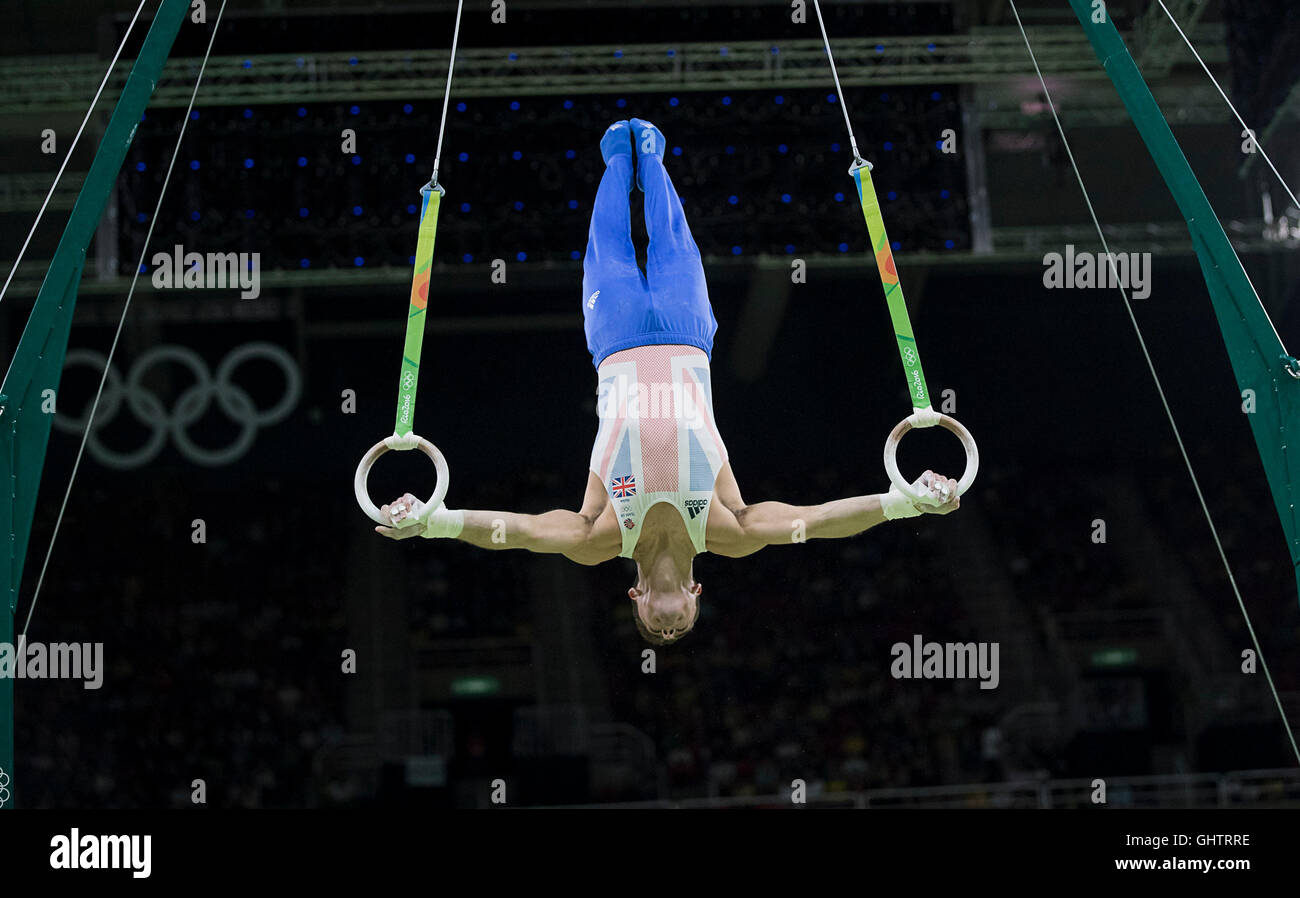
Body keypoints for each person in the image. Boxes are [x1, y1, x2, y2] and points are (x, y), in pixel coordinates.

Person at [377, 119, 960, 644]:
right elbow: (822, 518)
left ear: (635, 599)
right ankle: (650, 153)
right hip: (686, 335)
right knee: (672, 233)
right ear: (696, 594)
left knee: (608, 236)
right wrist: (903, 503)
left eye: (658, 627)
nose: (670, 626)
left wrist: (436, 521)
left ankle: (615, 155)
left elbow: (522, 531)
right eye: (681, 625)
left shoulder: (599, 536)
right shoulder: (728, 529)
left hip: (615, 340)